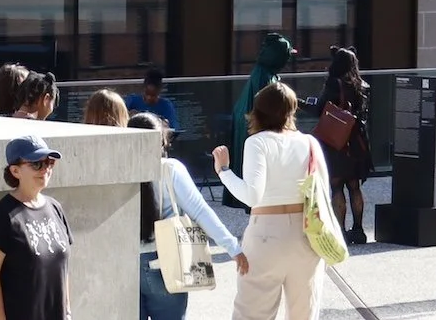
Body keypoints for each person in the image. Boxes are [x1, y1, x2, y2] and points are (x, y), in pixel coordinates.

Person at [212, 81, 327, 320]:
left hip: (266, 234)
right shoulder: (309, 142)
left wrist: (224, 171)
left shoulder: (257, 142)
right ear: (291, 111)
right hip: (305, 235)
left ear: (258, 111)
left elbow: (252, 195)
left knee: (252, 313)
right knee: (303, 313)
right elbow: (323, 193)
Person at [129, 112, 238, 320]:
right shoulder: (171, 169)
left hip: (125, 264)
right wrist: (233, 247)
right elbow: (200, 211)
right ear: (162, 141)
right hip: (166, 261)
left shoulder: (118, 170)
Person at [0, 134, 70, 320]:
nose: (45, 169)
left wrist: (67, 312)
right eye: (36, 164)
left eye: (49, 163)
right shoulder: (4, 214)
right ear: (15, 171)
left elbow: (62, 270)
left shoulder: (55, 208)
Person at [318, 46, 373, 245]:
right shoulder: (363, 85)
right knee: (354, 186)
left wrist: (299, 102)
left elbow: (320, 109)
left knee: (336, 186)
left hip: (337, 143)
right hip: (357, 142)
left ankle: (339, 232)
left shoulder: (334, 84)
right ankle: (358, 230)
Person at [226, 33, 294, 190]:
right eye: (287, 56)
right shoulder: (265, 77)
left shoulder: (264, 73)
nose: (288, 61)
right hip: (257, 133)